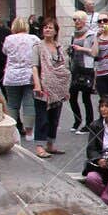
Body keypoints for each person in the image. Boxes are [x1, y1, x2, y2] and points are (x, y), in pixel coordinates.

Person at [31, 17, 70, 158]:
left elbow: (64, 67)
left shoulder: (59, 47)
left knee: (54, 117)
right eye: (45, 27)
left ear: (55, 31)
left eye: (50, 28)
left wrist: (64, 86)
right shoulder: (38, 47)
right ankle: (40, 146)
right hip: (42, 86)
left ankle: (50, 144)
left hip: (58, 88)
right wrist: (37, 84)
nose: (47, 30)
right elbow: (34, 67)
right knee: (42, 117)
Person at [67, 11, 96, 133]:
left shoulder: (91, 35)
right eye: (74, 20)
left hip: (87, 68)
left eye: (78, 19)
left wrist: (81, 49)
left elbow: (94, 52)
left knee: (86, 98)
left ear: (84, 21)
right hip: (75, 68)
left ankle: (89, 124)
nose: (76, 22)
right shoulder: (74, 35)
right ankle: (77, 120)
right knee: (72, 97)